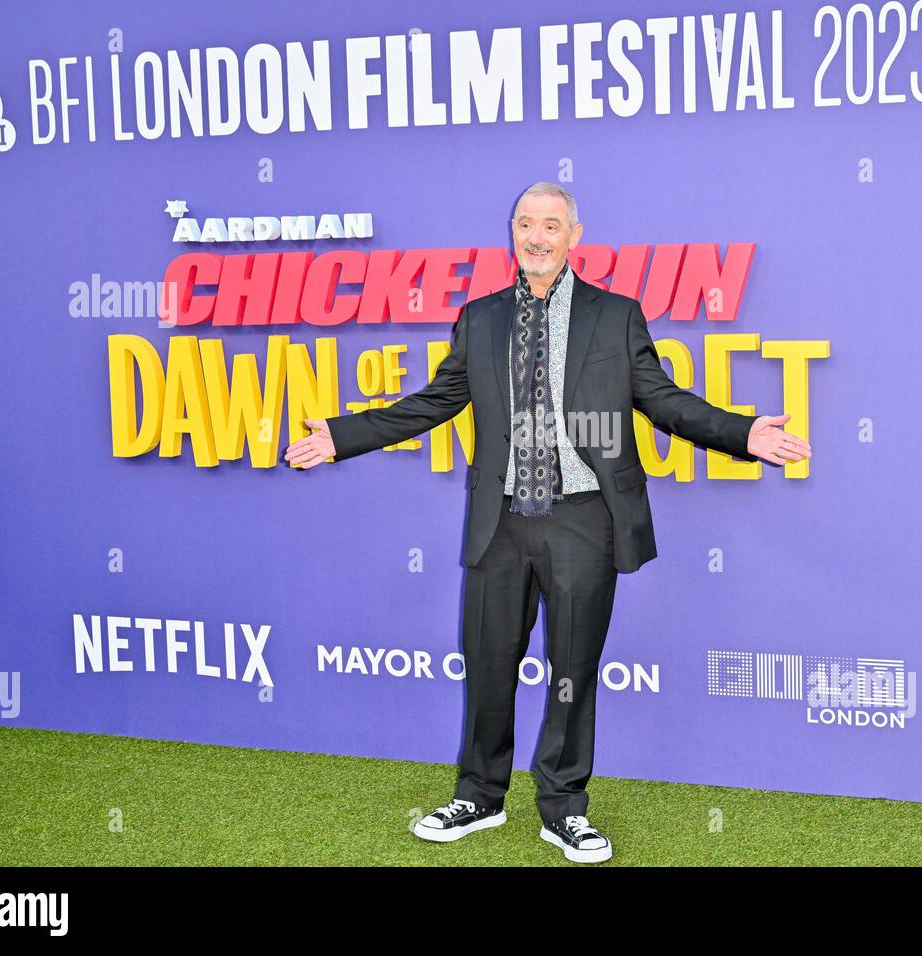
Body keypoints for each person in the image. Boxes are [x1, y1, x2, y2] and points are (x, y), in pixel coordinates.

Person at [283, 182, 812, 863]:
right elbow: (434, 402)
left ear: (574, 235)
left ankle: (563, 808)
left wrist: (743, 434)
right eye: (526, 224)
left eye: (551, 225)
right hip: (499, 519)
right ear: (513, 234)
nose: (537, 236)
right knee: (488, 663)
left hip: (582, 518)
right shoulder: (480, 318)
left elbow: (665, 401)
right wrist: (343, 435)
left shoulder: (615, 316)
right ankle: (478, 795)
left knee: (572, 669)